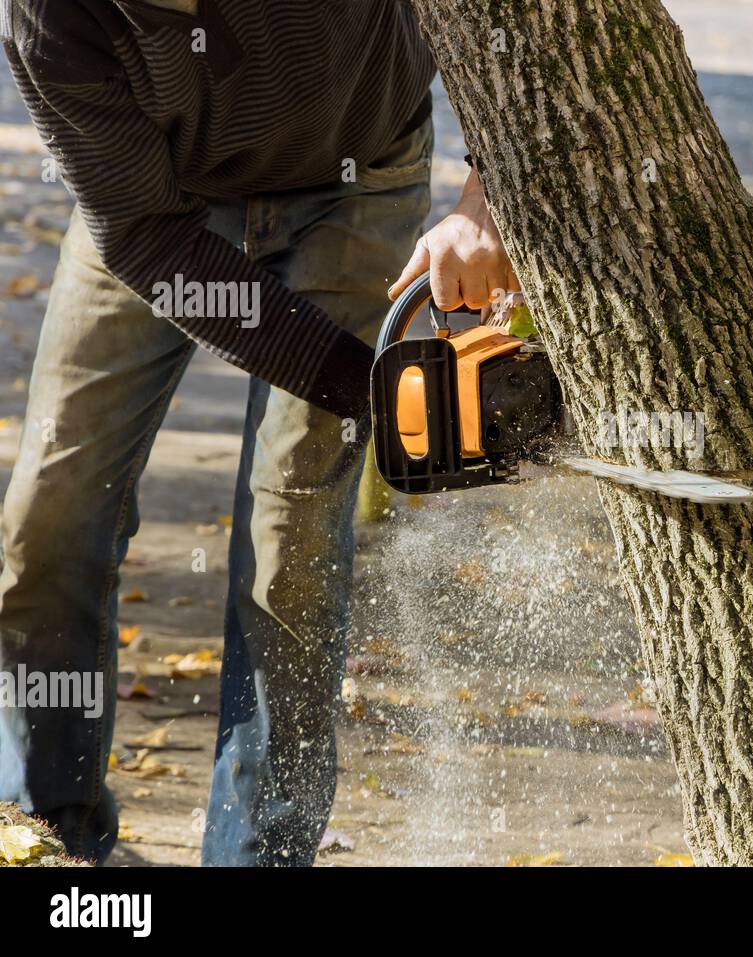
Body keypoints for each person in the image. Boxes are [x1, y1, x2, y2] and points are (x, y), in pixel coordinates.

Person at [0, 0, 516, 866]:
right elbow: (145, 237)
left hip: (359, 180)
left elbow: (526, 30)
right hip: (154, 209)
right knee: (48, 512)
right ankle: (46, 838)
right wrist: (367, 385)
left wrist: (486, 200)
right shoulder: (46, 15)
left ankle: (259, 856)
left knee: (293, 541)